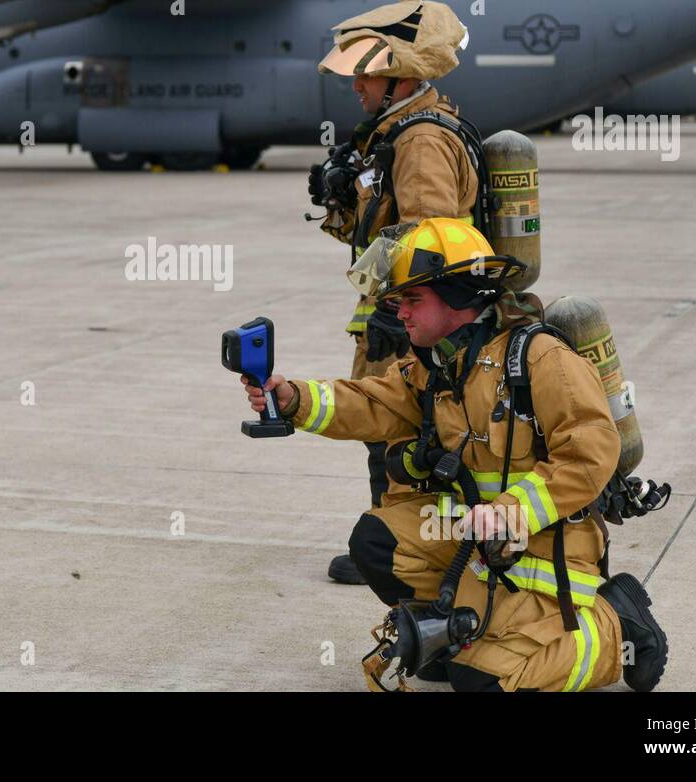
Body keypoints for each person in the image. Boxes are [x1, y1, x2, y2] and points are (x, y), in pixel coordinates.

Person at [241, 218, 668, 692]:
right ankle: (461, 636)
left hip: (548, 549)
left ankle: (615, 627)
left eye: (412, 299)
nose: (399, 313)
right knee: (377, 542)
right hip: (478, 538)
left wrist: (514, 511)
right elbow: (372, 403)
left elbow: (591, 454)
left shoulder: (541, 360)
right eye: (397, 301)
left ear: (459, 294)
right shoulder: (438, 364)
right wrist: (293, 398)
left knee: (482, 683)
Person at [309, 0, 481, 585]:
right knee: (392, 426)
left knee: (394, 424)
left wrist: (402, 312)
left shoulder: (419, 140)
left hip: (410, 318)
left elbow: (430, 239)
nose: (356, 87)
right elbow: (389, 230)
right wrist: (344, 201)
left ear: (401, 78)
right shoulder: (402, 132)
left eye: (367, 76)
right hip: (401, 312)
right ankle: (397, 537)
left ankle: (395, 547)